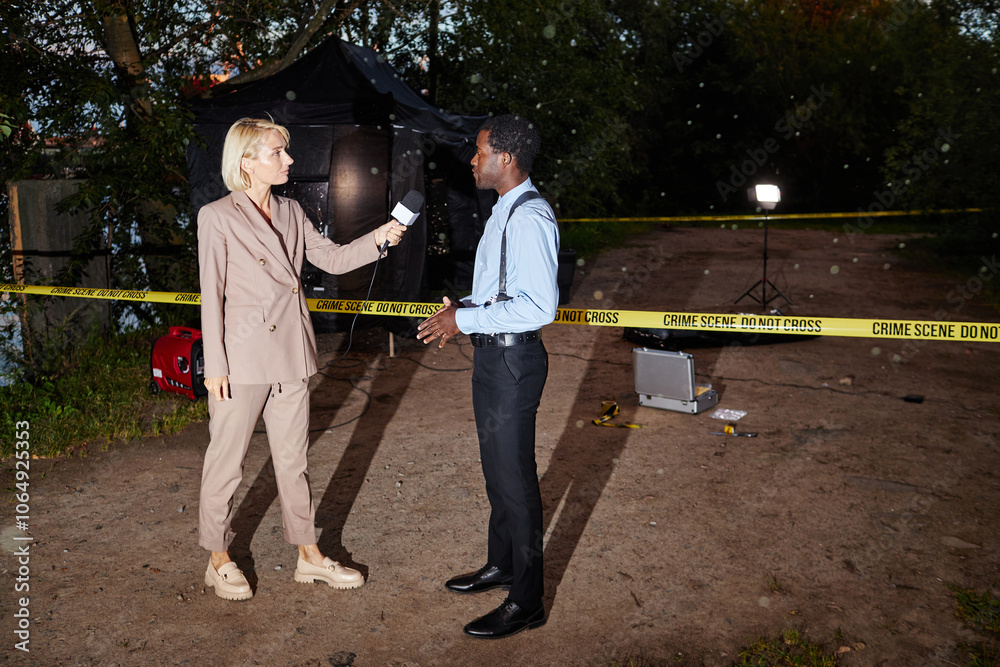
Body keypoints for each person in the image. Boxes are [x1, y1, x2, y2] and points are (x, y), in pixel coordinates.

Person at [197, 117, 406, 601]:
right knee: (226, 464)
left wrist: (379, 238)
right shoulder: (218, 216)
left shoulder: (291, 211)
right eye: (277, 152)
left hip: (292, 352)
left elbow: (330, 258)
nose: (288, 160)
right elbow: (213, 294)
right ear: (246, 161)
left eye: (285, 152)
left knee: (293, 462)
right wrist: (217, 364)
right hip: (241, 359)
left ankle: (309, 556)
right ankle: (218, 558)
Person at [416, 114, 559, 638]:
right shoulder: (504, 210)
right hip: (492, 358)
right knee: (497, 475)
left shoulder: (530, 217)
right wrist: (467, 311)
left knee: (516, 482)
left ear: (507, 158)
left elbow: (539, 306)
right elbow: (507, 291)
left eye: (480, 152)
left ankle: (527, 600)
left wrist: (466, 318)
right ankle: (502, 565)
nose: (473, 160)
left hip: (513, 363)